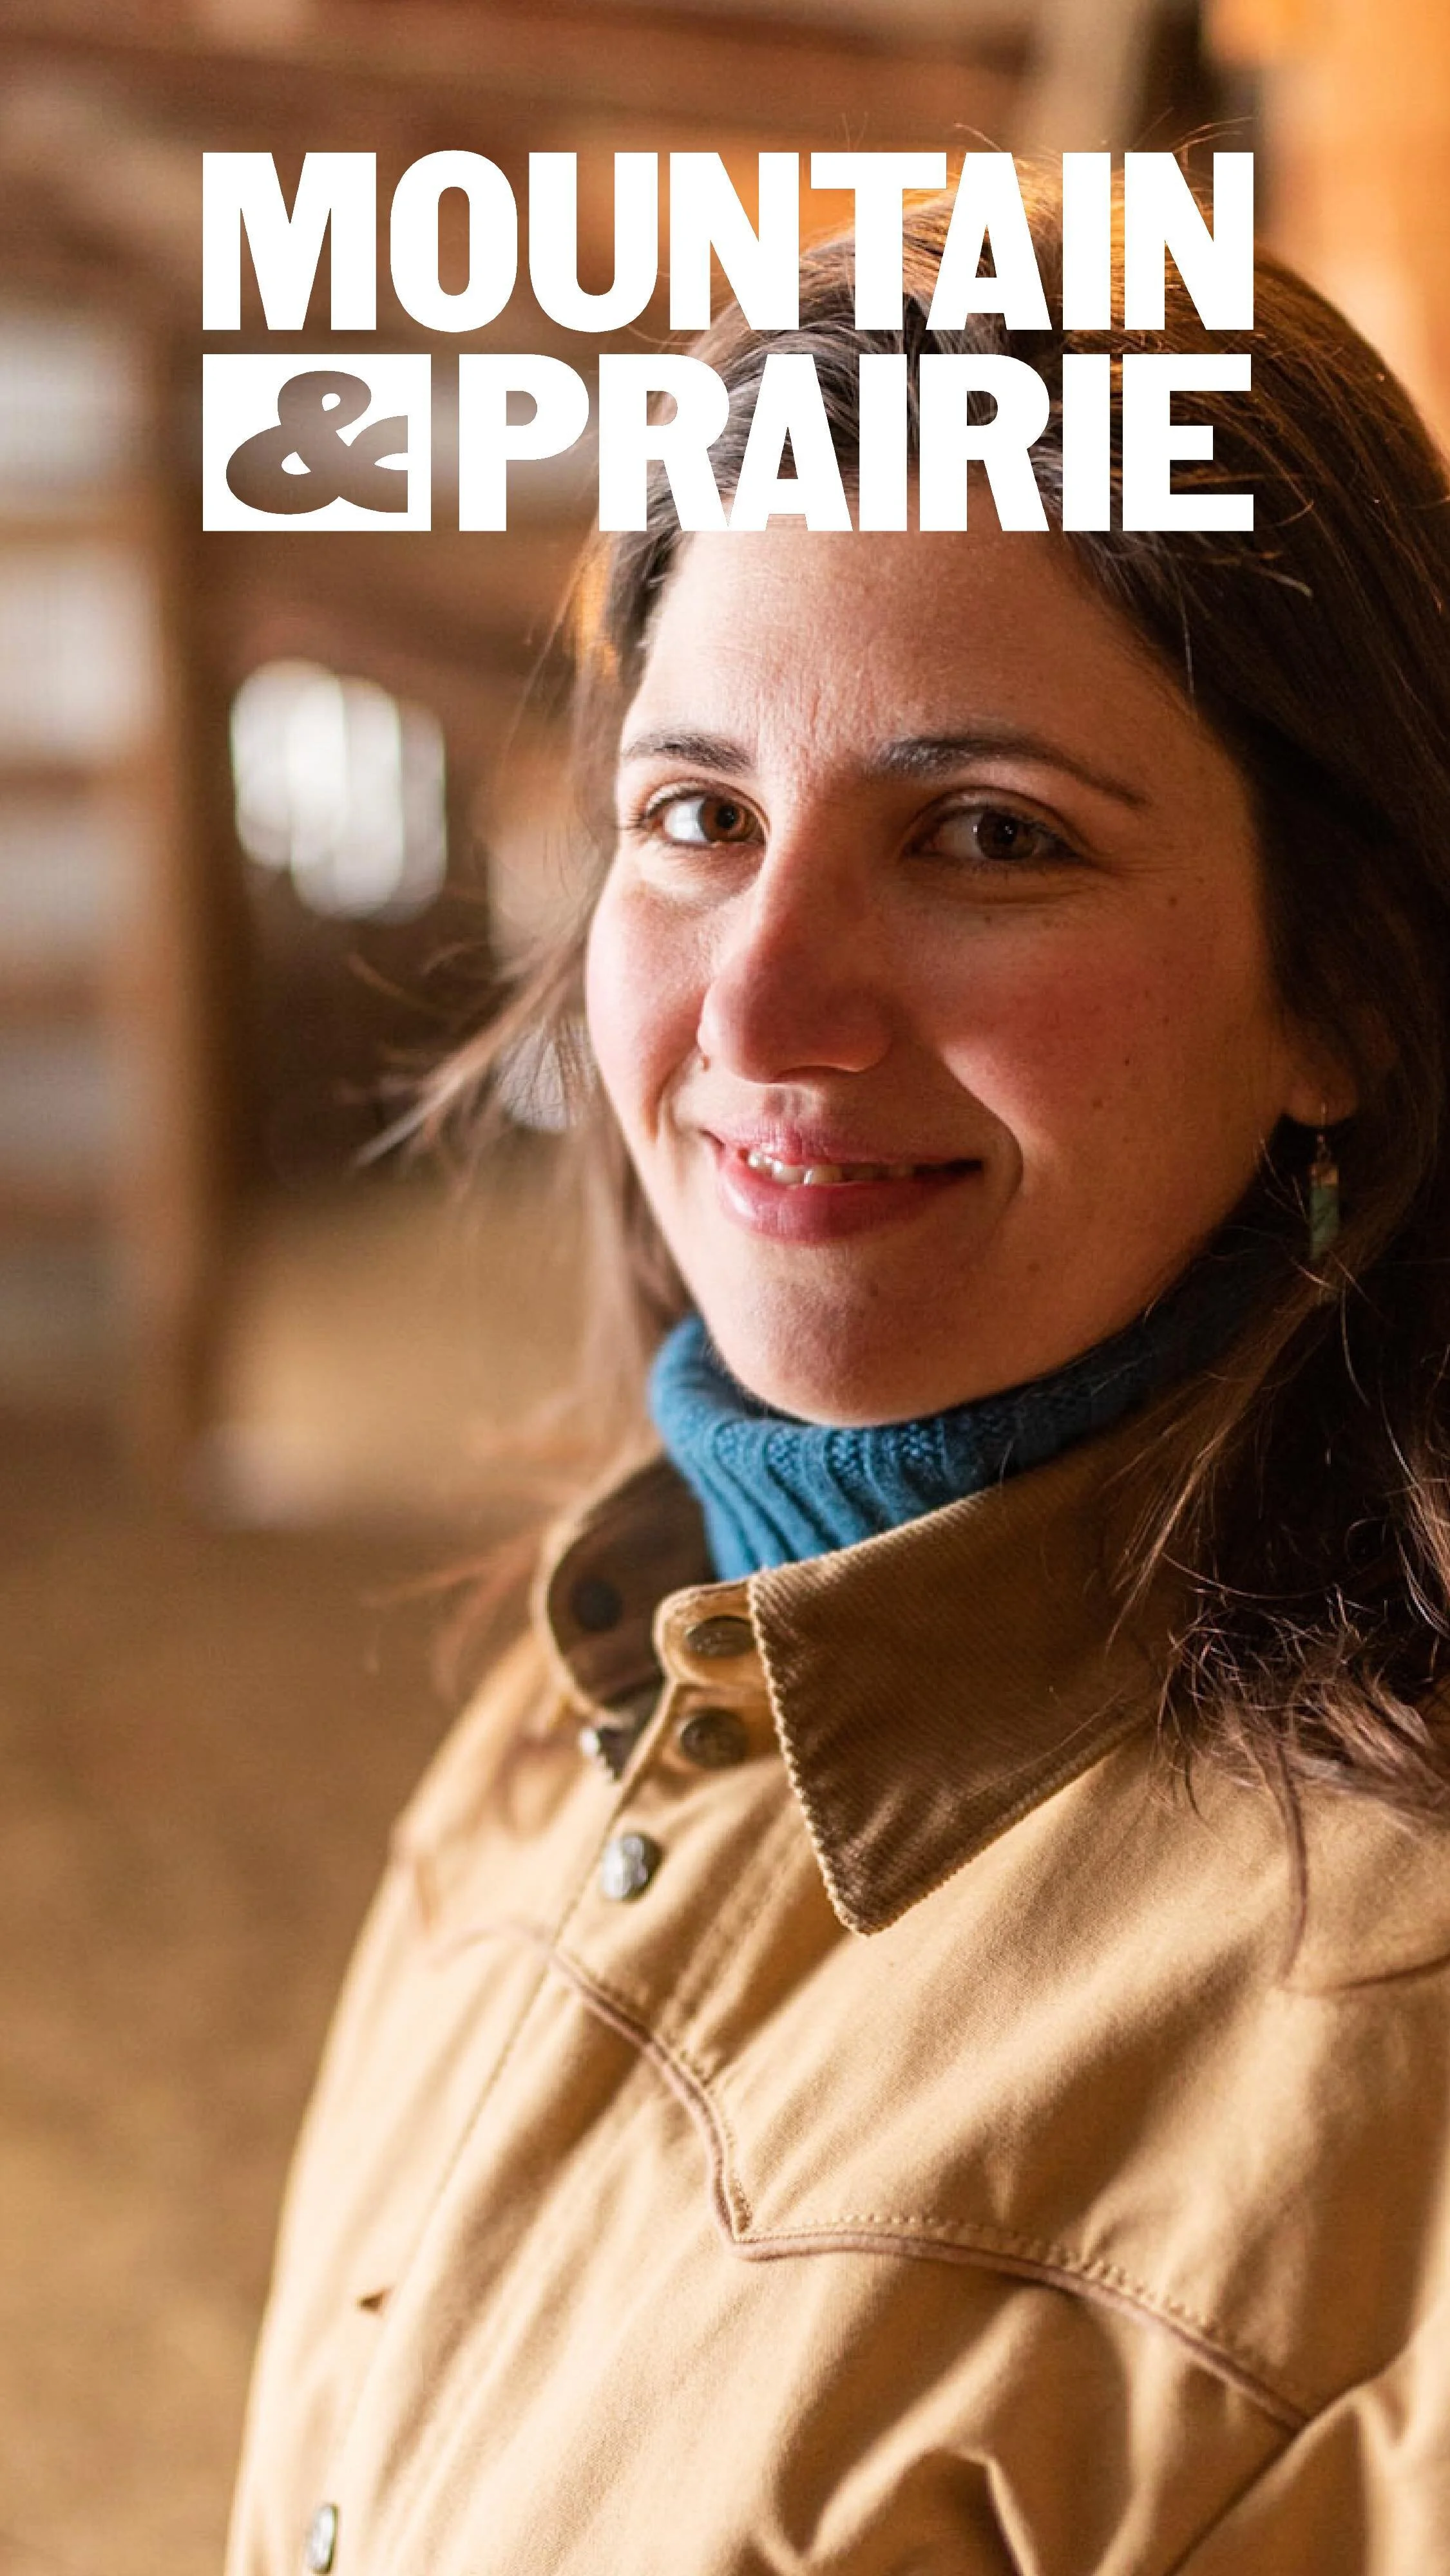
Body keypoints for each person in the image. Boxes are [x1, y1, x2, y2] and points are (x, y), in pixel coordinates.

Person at [227, 174, 1450, 2575]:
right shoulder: (584, 1700)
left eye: (988, 835)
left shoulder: (1380, 2098)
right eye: (699, 816)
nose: (764, 1008)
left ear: (1343, 994)